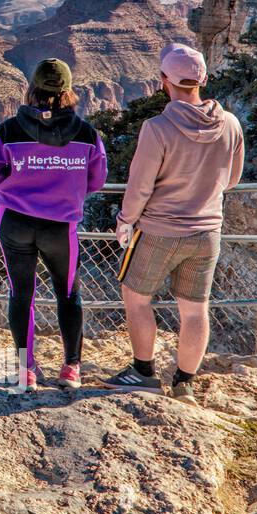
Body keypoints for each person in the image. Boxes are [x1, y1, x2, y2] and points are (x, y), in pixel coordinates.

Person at [104, 43, 244, 405]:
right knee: (195, 309)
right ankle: (185, 384)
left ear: (164, 80)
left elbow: (139, 187)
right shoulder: (230, 123)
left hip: (159, 232)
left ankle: (143, 372)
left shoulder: (157, 128)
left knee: (136, 299)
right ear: (203, 79)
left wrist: (125, 221)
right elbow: (232, 180)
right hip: (207, 232)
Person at [0, 58, 108, 392]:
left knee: (21, 294)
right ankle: (71, 368)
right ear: (68, 91)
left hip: (15, 223)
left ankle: (27, 371)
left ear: (33, 89)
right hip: (60, 227)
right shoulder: (87, 134)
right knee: (68, 294)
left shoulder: (7, 130)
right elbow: (96, 180)